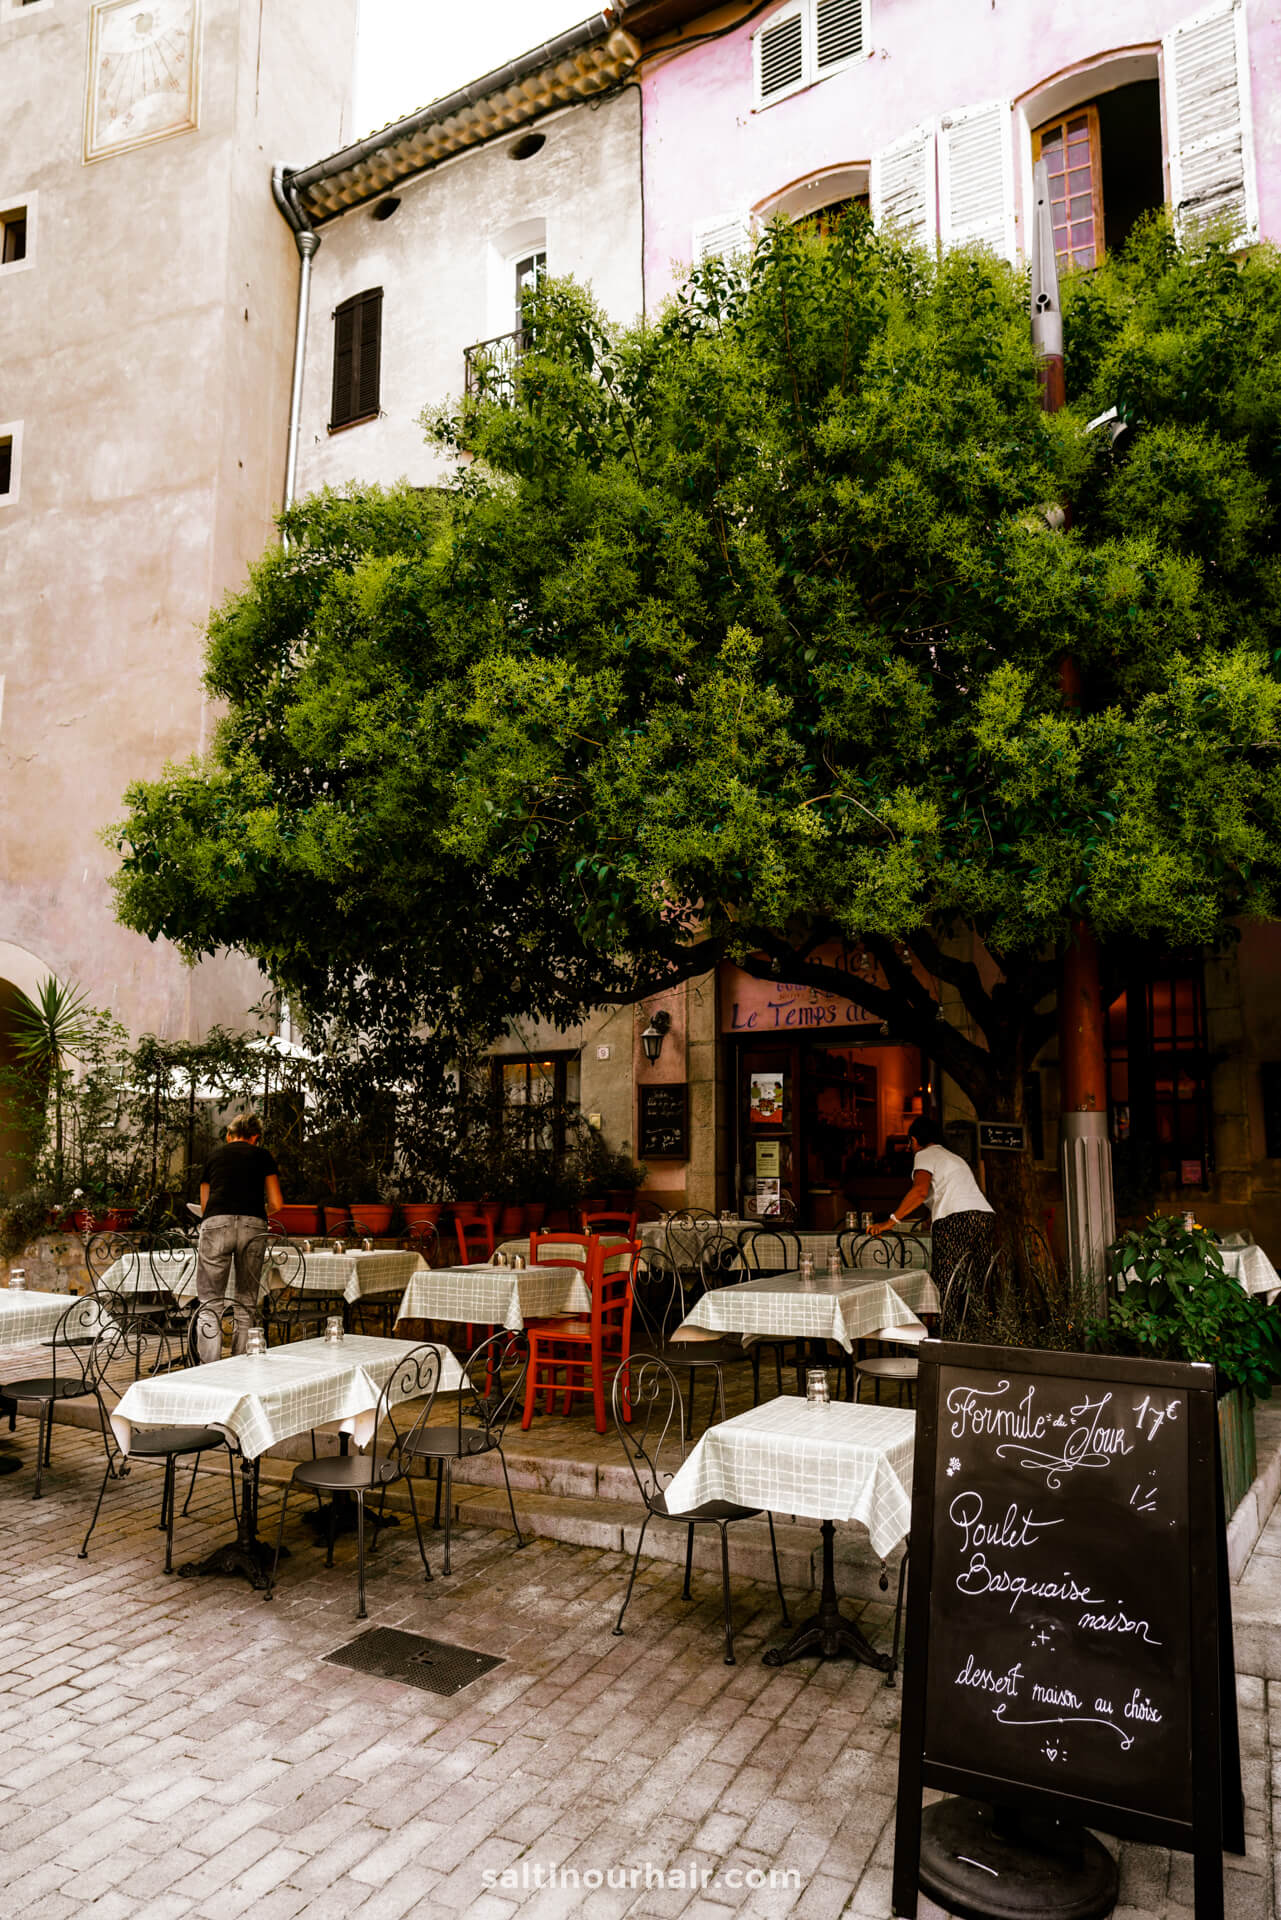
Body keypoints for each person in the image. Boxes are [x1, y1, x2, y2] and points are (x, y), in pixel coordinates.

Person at [871, 1116, 994, 1335]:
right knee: (976, 1282)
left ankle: (948, 1339)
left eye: (909, 1143)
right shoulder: (953, 1157)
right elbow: (952, 1192)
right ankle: (976, 1338)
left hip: (957, 1220)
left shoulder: (925, 1154)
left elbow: (919, 1192)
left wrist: (891, 1222)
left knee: (948, 1282)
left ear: (914, 1140)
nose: (909, 1148)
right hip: (984, 1218)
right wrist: (931, 1218)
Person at [195, 1111, 283, 1362]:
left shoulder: (213, 1156)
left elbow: (205, 1205)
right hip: (253, 1226)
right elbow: (277, 1202)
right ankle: (240, 1363)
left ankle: (208, 1367)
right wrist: (258, 1212)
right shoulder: (262, 1155)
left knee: (210, 1301)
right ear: (255, 1137)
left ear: (228, 1135)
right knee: (246, 1300)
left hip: (216, 1222)